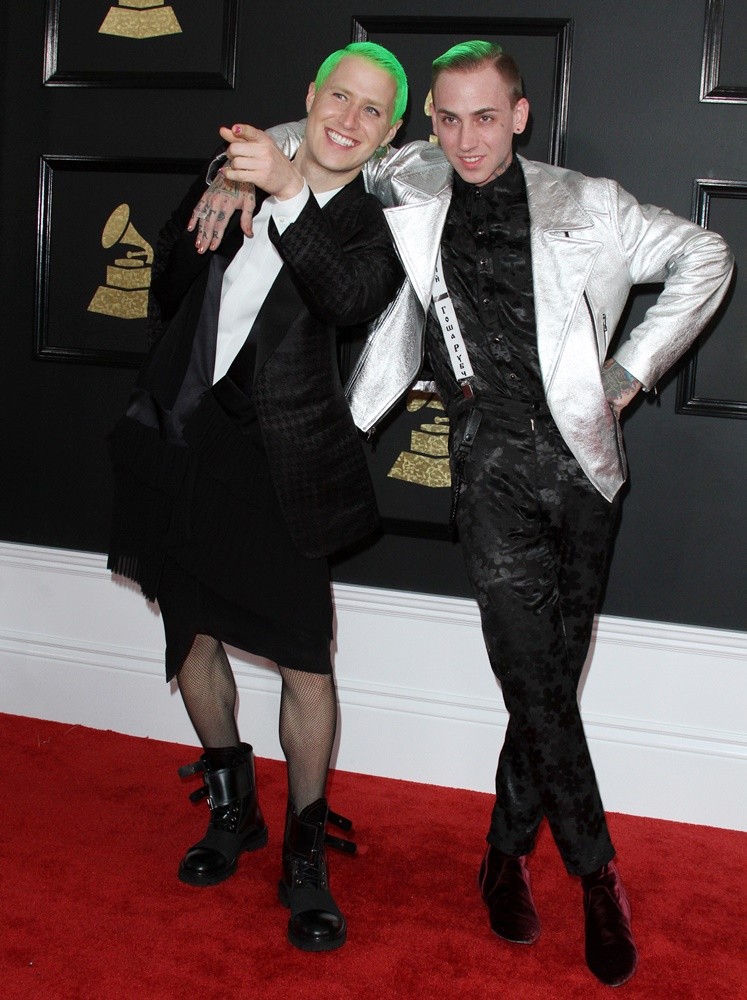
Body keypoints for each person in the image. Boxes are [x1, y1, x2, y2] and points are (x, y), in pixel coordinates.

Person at [197, 40, 734, 983]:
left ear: (519, 115)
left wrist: (629, 374)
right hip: (485, 468)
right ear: (429, 124)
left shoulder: (591, 204)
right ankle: (597, 880)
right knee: (533, 681)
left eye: (484, 117)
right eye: (446, 119)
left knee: (544, 689)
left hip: (584, 473)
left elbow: (705, 251)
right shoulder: (414, 177)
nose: (465, 137)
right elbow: (310, 137)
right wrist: (235, 175)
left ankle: (501, 851)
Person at [107, 41, 407, 953]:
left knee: (304, 664)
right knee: (188, 629)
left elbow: (348, 298)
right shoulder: (236, 181)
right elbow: (165, 291)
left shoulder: (370, 229)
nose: (348, 121)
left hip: (280, 469)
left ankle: (306, 851)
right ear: (310, 96)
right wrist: (217, 194)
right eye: (339, 97)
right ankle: (233, 807)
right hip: (180, 438)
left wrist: (282, 191)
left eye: (371, 112)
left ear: (390, 133)